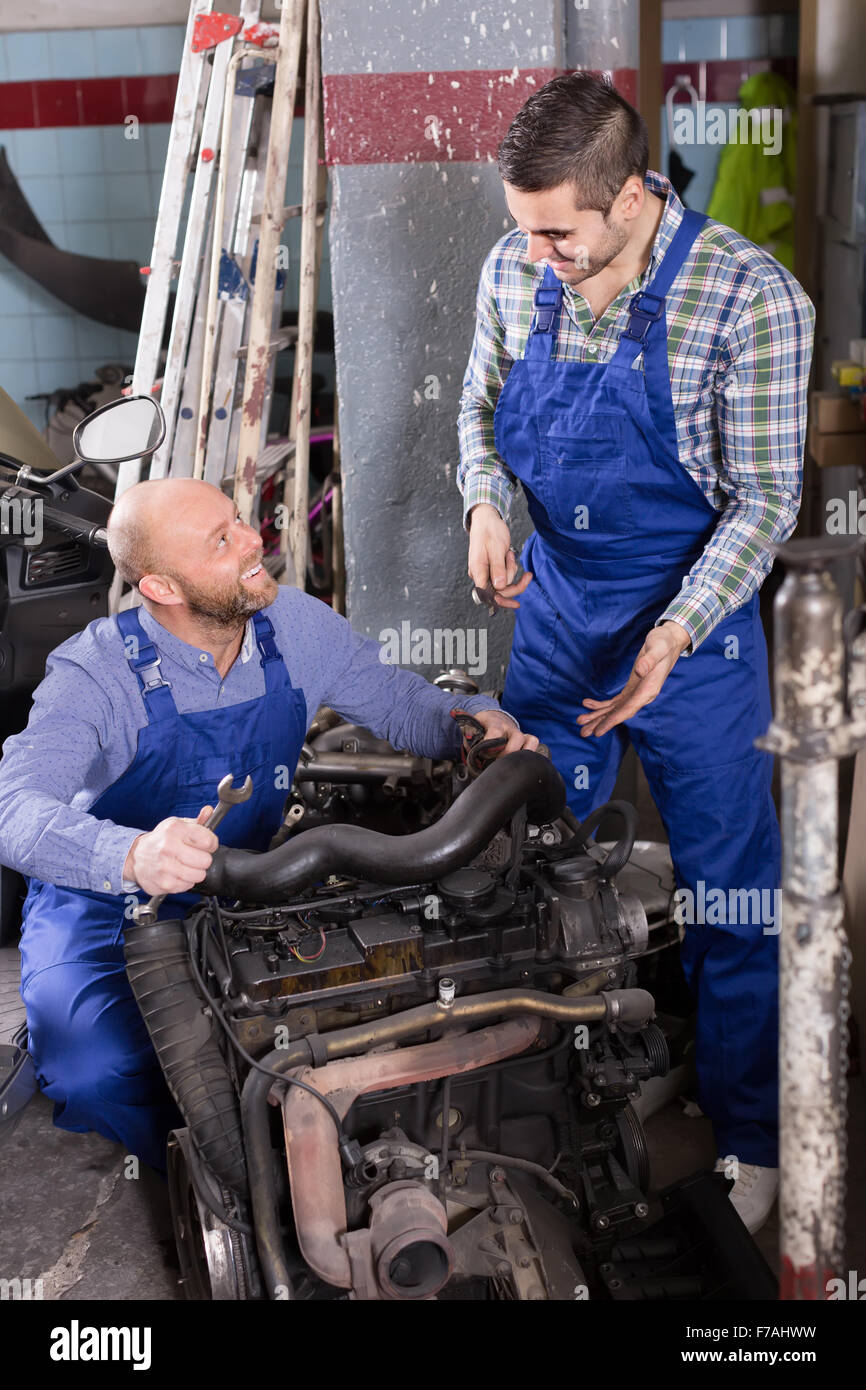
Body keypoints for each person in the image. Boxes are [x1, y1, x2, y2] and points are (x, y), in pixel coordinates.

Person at [458, 73, 815, 1234]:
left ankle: (748, 1137)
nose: (535, 253)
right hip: (559, 617)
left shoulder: (749, 299)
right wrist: (481, 500)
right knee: (523, 858)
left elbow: (761, 502)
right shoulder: (519, 264)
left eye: (559, 229)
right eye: (524, 227)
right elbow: (477, 402)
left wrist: (673, 629)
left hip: (692, 636)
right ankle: (542, 1100)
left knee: (727, 891)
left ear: (628, 196)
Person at [0, 477, 534, 1171]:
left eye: (242, 521)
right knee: (99, 1071)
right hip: (105, 904)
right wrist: (133, 854)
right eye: (222, 541)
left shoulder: (297, 627)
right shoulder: (95, 673)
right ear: (162, 587)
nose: (256, 541)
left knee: (346, 1020)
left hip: (246, 887)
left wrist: (480, 722)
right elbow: (13, 809)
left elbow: (407, 706)